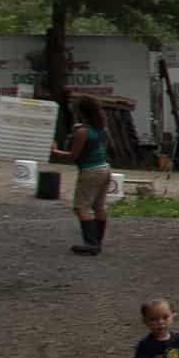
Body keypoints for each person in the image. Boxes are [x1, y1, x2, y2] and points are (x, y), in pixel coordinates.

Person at [48, 95, 112, 256]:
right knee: (98, 207)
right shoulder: (100, 128)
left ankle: (91, 244)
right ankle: (97, 241)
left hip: (90, 171)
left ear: (81, 112)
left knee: (80, 207)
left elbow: (72, 156)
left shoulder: (82, 131)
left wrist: (54, 151)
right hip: (104, 168)